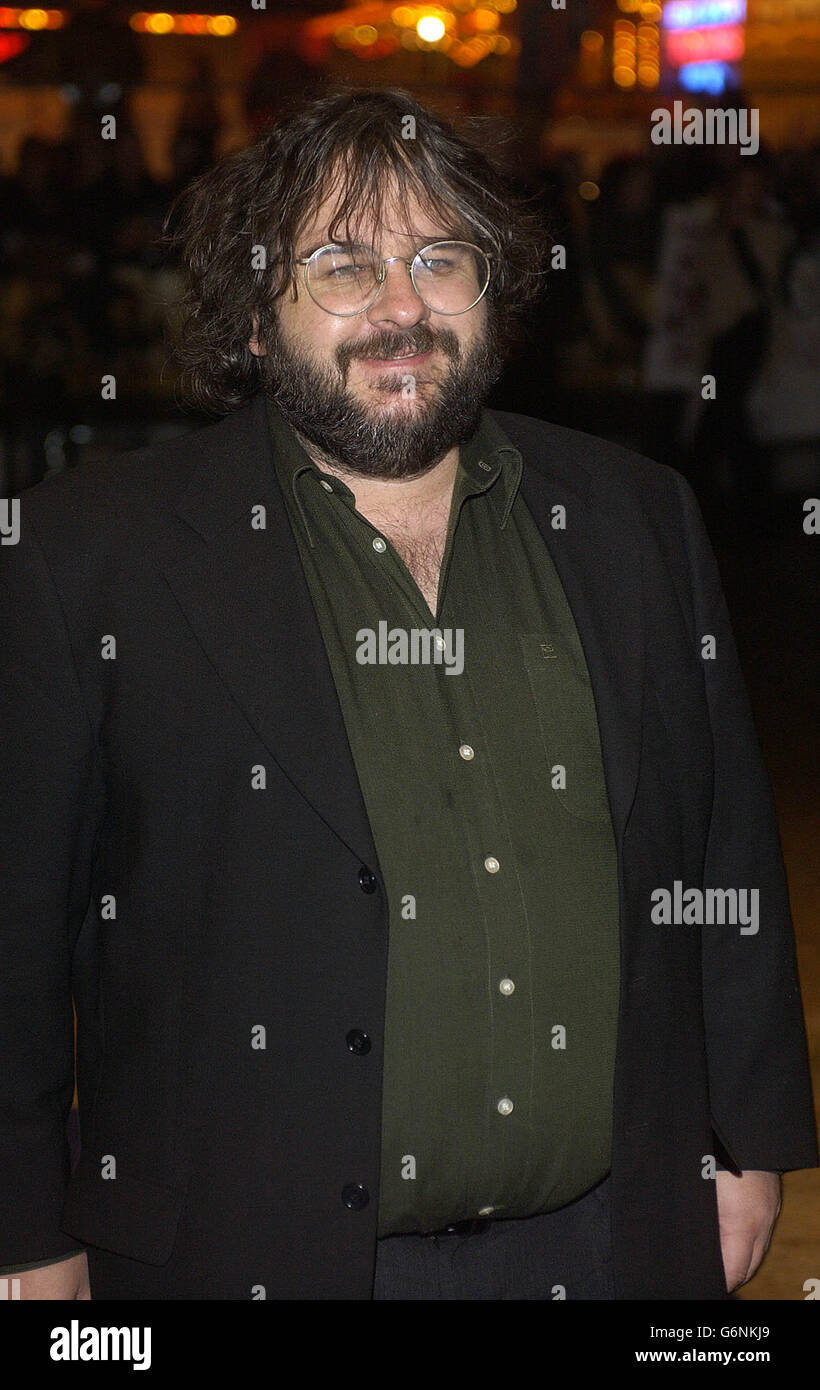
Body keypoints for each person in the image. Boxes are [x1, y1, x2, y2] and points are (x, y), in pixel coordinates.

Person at [1, 86, 816, 1301]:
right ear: (255, 317)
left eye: (441, 258)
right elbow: (15, 932)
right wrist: (23, 1234)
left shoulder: (634, 516)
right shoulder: (91, 557)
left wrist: (745, 1134)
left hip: (610, 1244)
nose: (401, 307)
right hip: (244, 1254)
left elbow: (722, 848)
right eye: (343, 266)